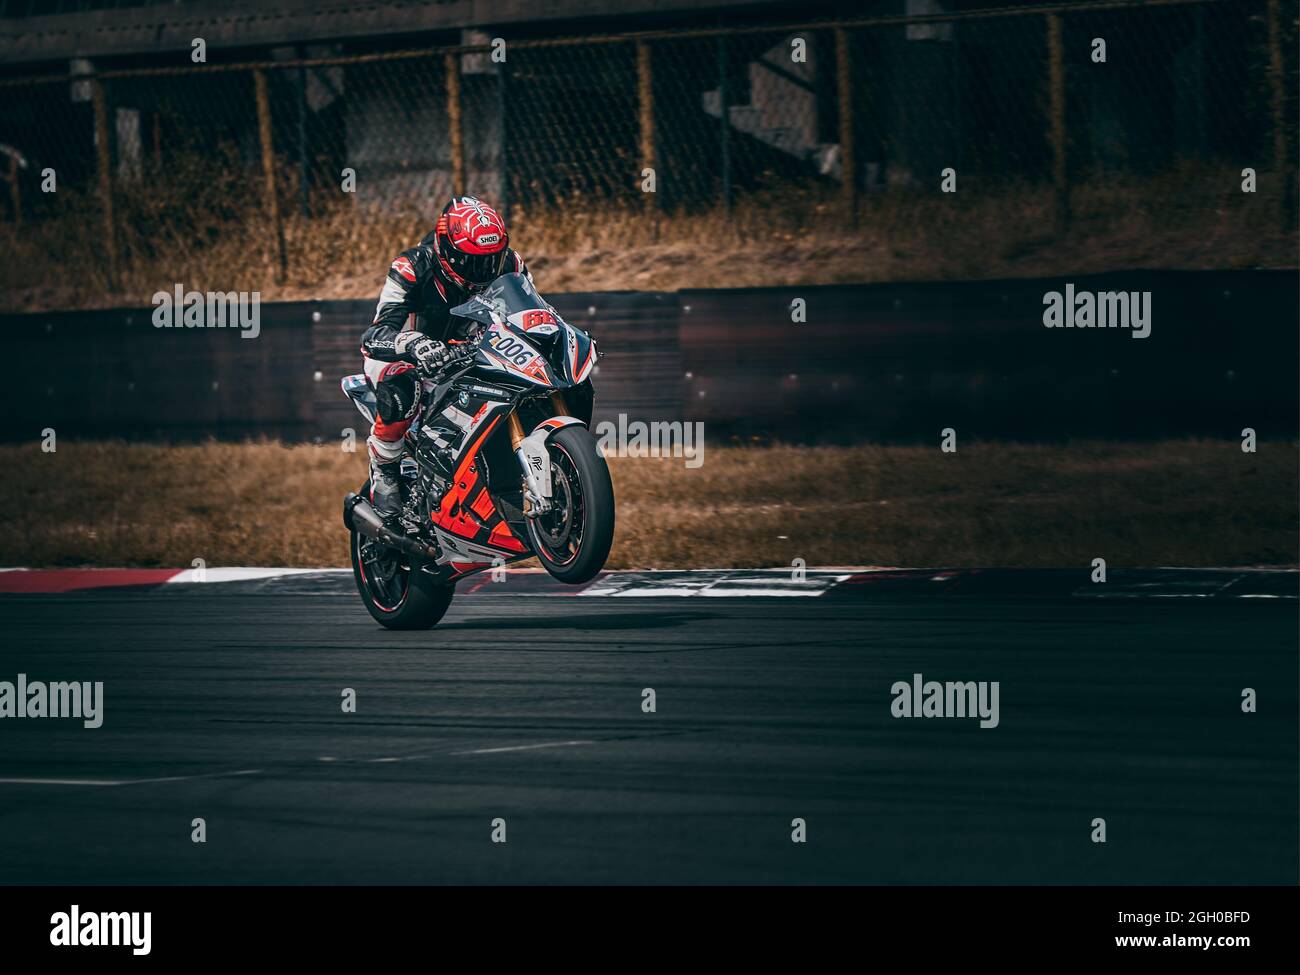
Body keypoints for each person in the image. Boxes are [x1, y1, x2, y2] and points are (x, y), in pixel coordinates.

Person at [359, 196, 531, 530]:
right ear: (447, 250)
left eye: (490, 261)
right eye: (472, 262)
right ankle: (385, 466)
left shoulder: (510, 263)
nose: (483, 272)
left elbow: (527, 311)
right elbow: (374, 334)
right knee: (403, 380)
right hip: (406, 358)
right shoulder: (412, 267)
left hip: (473, 354)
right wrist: (412, 343)